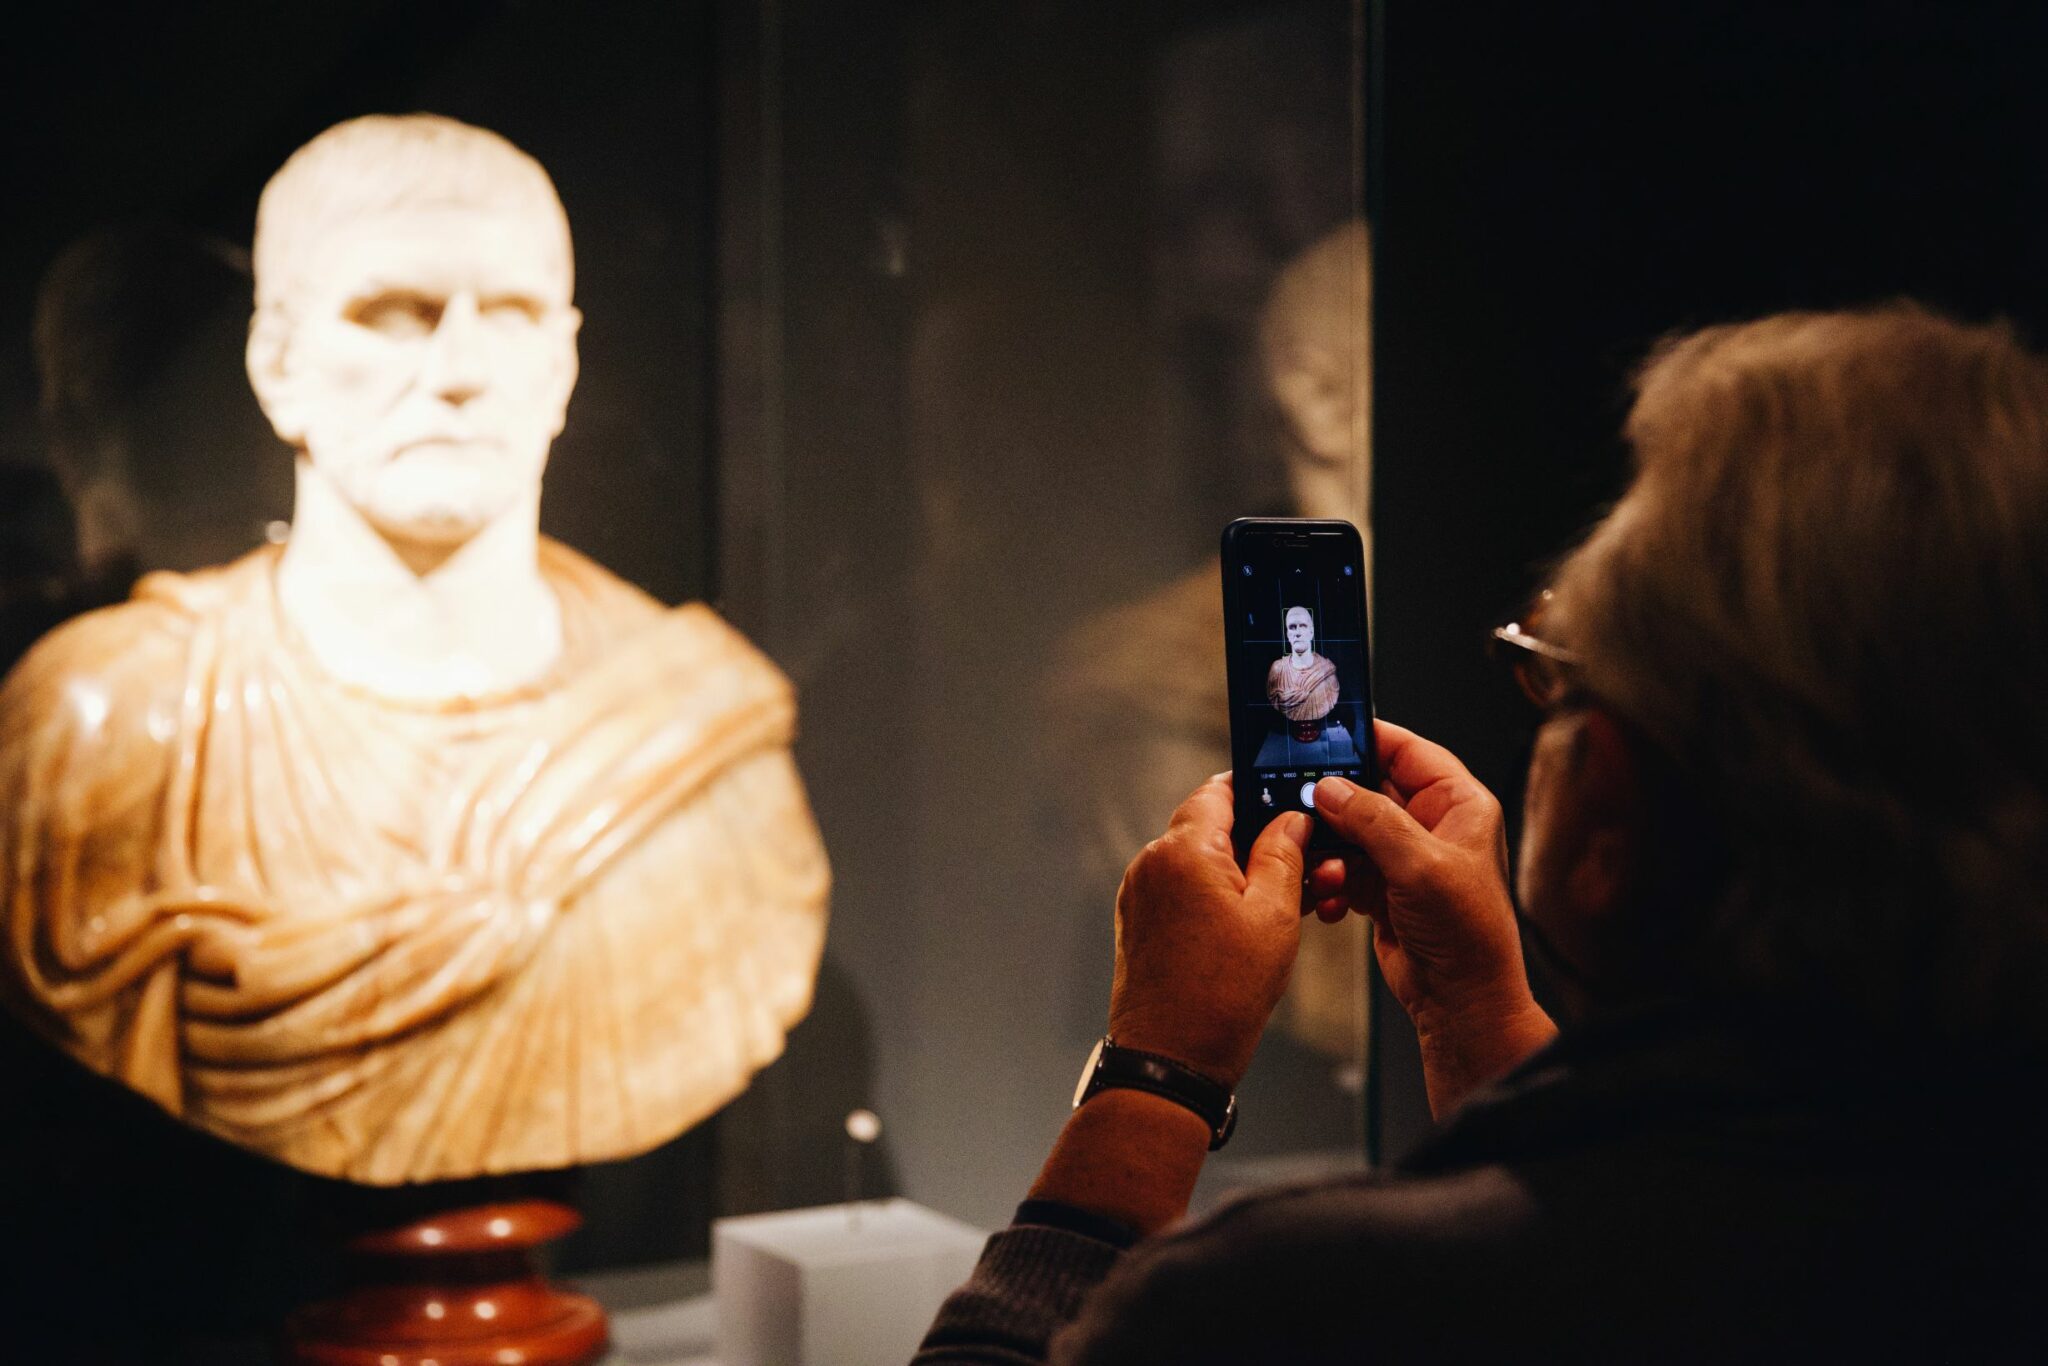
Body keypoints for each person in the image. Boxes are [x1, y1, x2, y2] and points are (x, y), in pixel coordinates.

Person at [917, 304, 2048, 1362]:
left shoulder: (1296, 1306)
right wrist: (1480, 1022)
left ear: (1607, 814)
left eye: (1549, 673)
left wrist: (1155, 1074)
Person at [0, 115, 830, 1185]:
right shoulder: (102, 725)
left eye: (510, 314)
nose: (457, 369)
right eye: (392, 315)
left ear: (563, 364)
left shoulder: (711, 753)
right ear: (278, 363)